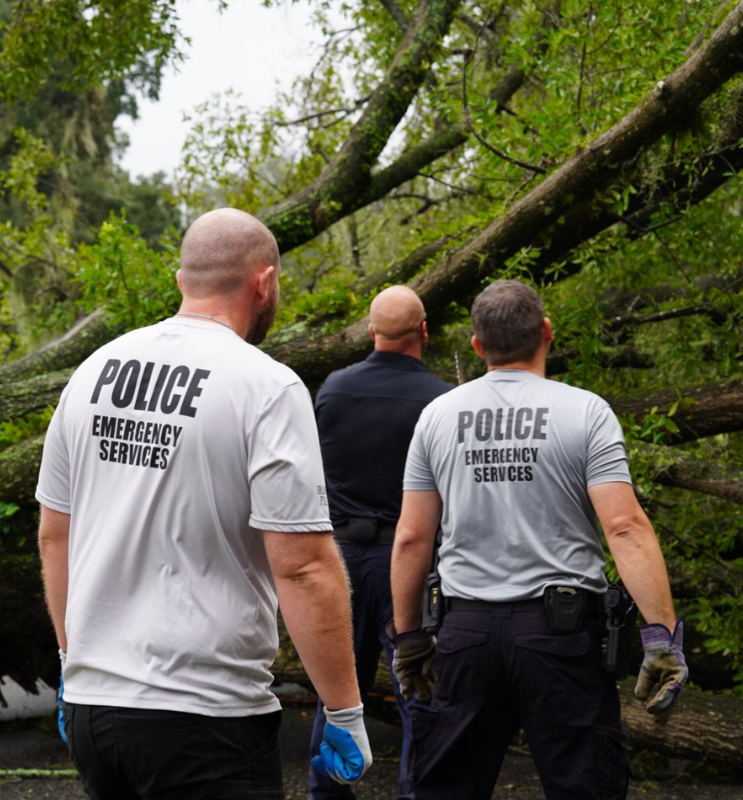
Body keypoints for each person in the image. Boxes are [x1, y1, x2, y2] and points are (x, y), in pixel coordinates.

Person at [36, 207, 372, 800]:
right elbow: (304, 566)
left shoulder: (90, 374)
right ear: (264, 282)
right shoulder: (266, 386)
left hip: (96, 715)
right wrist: (344, 709)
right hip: (206, 721)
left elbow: (54, 536)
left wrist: (72, 662)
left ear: (181, 281)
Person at [389, 279, 687, 800]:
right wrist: (661, 636)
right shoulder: (586, 412)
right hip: (561, 640)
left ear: (478, 347)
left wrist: (409, 638)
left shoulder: (437, 416)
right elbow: (624, 527)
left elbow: (412, 538)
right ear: (547, 333)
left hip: (466, 636)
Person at [307, 286, 453, 800]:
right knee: (420, 692)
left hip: (341, 557)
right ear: (424, 332)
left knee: (338, 693)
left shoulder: (333, 390)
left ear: (371, 332)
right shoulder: (440, 400)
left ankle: (327, 794)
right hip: (407, 561)